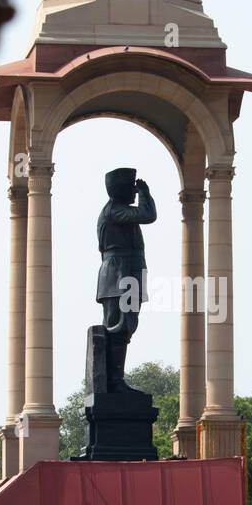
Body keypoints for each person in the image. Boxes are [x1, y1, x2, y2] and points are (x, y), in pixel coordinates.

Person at [95, 167, 156, 393]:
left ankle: (114, 380)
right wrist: (144, 192)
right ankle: (113, 382)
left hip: (127, 273)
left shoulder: (117, 211)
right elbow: (148, 215)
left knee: (126, 326)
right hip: (119, 276)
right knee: (118, 327)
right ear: (120, 189)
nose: (133, 192)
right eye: (130, 188)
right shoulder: (114, 211)